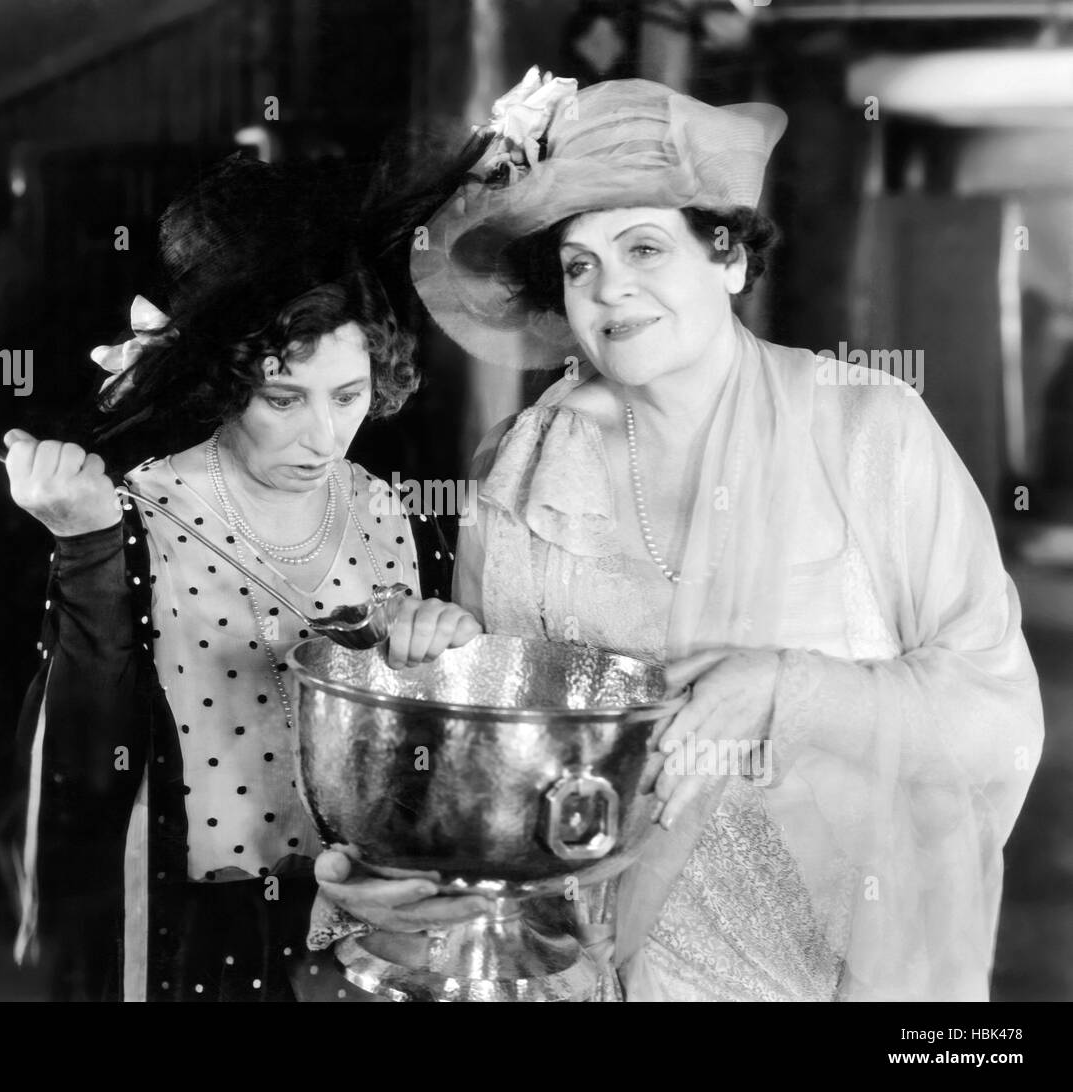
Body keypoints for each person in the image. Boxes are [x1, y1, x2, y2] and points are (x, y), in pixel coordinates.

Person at [315, 69, 1044, 1001]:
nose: (611, 292)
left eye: (646, 247)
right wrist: (447, 658)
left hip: (826, 965)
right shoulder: (529, 462)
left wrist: (790, 690)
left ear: (730, 258)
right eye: (579, 265)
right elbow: (500, 745)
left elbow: (992, 724)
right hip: (588, 965)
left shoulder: (870, 430)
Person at [0, 152, 485, 1002]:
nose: (323, 437)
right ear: (226, 382)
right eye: (283, 399)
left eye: (348, 394)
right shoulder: (142, 510)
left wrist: (450, 653)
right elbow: (83, 735)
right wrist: (82, 544)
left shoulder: (403, 519)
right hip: (191, 927)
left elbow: (440, 754)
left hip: (359, 923)